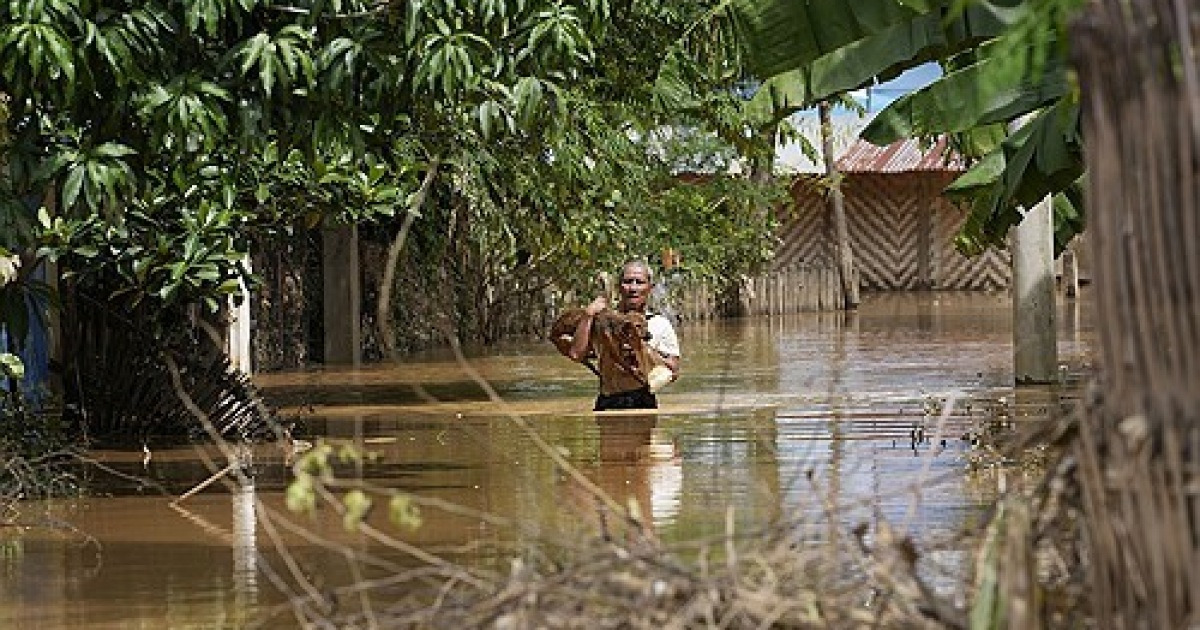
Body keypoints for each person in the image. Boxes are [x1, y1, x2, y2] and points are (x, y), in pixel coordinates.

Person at [566, 260, 681, 411]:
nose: (633, 288)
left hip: (643, 401)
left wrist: (643, 350)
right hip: (607, 400)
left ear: (649, 288)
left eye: (639, 282)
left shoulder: (659, 324)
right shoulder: (601, 321)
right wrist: (588, 315)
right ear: (619, 286)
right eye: (628, 281)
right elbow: (576, 354)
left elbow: (673, 372)